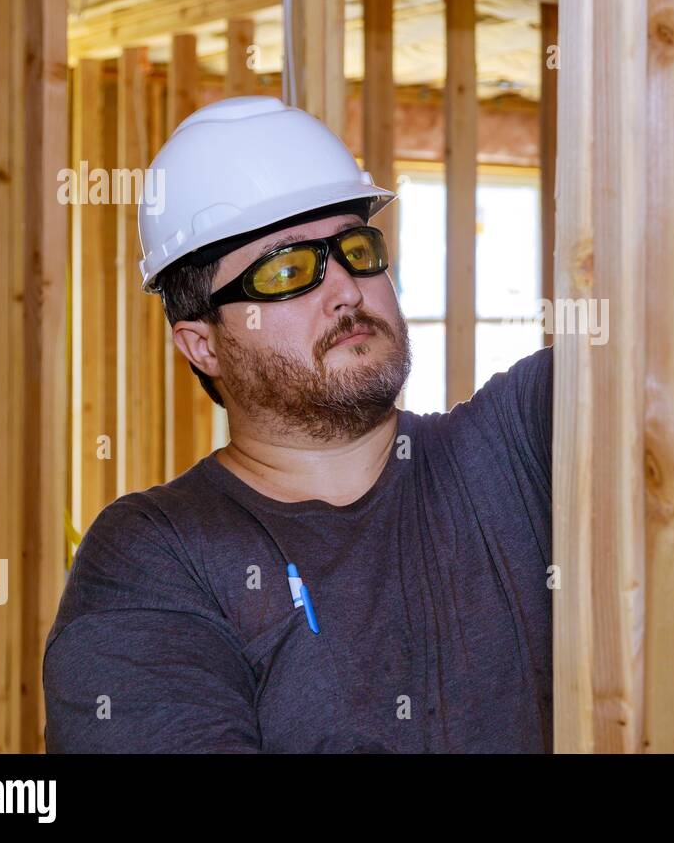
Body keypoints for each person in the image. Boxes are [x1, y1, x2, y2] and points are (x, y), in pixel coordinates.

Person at [43, 96, 552, 752]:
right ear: (202, 344)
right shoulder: (155, 558)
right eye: (288, 269)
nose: (346, 289)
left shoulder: (512, 451)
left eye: (357, 249)